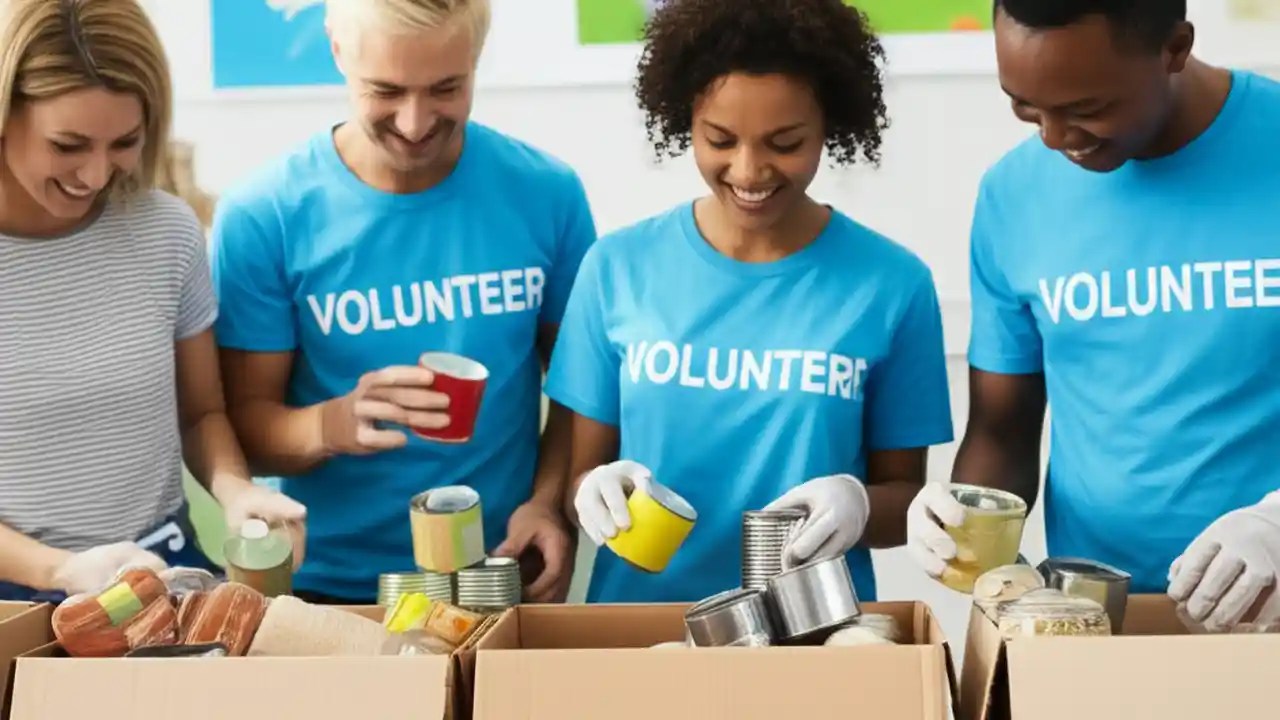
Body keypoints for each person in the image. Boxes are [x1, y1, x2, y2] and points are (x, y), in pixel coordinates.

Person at [546, 0, 954, 605]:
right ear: (684, 117)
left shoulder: (893, 286)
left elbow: (904, 498)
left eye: (784, 142)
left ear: (830, 128)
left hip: (815, 634)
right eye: (719, 140)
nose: (749, 170)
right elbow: (581, 478)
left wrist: (861, 503)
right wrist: (592, 492)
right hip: (636, 633)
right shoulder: (616, 269)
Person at [907, 0, 1280, 632]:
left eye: (1087, 109)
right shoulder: (1014, 193)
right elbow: (1004, 429)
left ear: (1174, 48)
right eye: (1025, 107)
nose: (1055, 138)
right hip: (1093, 624)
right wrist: (961, 516)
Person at [211, 0, 595, 604]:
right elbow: (244, 427)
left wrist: (547, 504)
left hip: (496, 577)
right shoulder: (266, 215)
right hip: (329, 589)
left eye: (447, 88)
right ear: (337, 51)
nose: (415, 123)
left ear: (475, 57)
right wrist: (329, 426)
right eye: (384, 90)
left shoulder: (548, 194)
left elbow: (581, 392)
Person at [0, 0, 305, 602]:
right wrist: (58, 571)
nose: (94, 174)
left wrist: (238, 491)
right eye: (68, 145)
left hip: (165, 577)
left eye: (124, 143)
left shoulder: (167, 232)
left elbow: (200, 415)